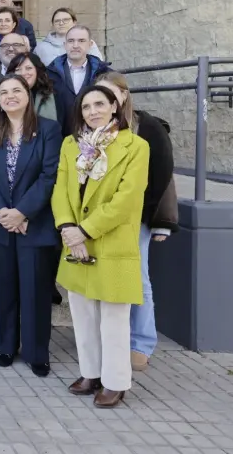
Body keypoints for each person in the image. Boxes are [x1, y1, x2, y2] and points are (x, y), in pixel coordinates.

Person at [53, 85, 150, 408]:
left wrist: (84, 231)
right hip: (75, 241)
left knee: (113, 318)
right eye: (86, 107)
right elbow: (61, 190)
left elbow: (127, 199)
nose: (92, 111)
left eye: (99, 104)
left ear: (114, 106)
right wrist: (68, 228)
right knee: (83, 314)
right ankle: (91, 372)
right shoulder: (72, 145)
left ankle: (116, 381)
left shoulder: (135, 146)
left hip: (109, 241)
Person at [0, 75, 62, 377]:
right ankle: (6, 345)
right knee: (4, 286)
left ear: (28, 94)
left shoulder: (48, 130)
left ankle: (37, 352)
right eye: (3, 92)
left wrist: (22, 213)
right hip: (0, 224)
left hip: (33, 224)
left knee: (35, 290)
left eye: (16, 91)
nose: (10, 96)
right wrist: (2, 211)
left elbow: (49, 175)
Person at [95, 72, 175, 373]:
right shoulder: (97, 130)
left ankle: (141, 343)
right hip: (102, 219)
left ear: (123, 96)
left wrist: (158, 221)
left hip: (136, 218)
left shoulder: (147, 127)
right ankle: (115, 339)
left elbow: (163, 177)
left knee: (138, 279)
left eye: (110, 94)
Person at [46, 25, 110, 134]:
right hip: (58, 138)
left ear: (90, 45)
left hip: (96, 137)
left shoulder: (104, 74)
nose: (75, 45)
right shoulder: (48, 74)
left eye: (81, 41)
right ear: (65, 45)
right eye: (71, 41)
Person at [35, 7, 103, 67]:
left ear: (74, 22)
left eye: (66, 20)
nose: (61, 23)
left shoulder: (87, 43)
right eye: (57, 21)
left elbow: (98, 66)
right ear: (52, 25)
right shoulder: (41, 47)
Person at [11, 53, 60, 123]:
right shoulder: (6, 96)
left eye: (28, 68)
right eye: (18, 69)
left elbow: (70, 127)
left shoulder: (56, 94)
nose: (23, 73)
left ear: (37, 70)